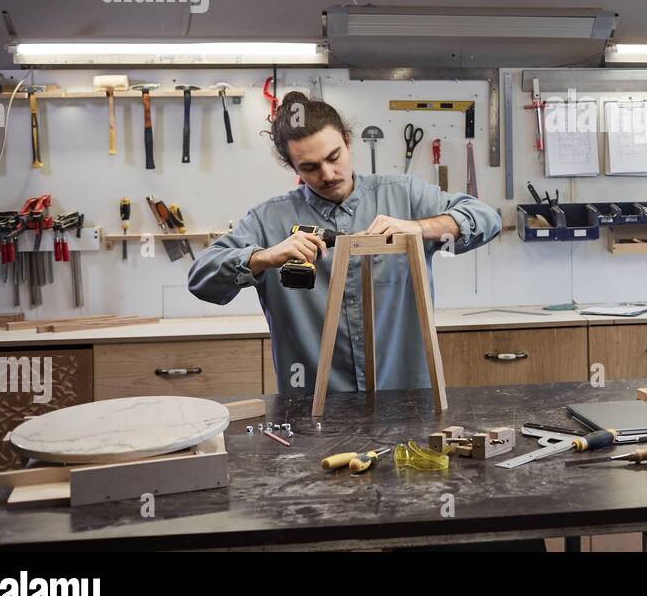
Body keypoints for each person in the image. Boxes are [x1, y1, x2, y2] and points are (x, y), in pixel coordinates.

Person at [188, 91, 500, 395]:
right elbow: (201, 278)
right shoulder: (268, 220)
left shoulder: (403, 195)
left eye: (333, 157)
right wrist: (264, 257)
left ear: (348, 142)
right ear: (292, 167)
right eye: (309, 167)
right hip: (312, 408)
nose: (327, 174)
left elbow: (485, 218)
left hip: (406, 401)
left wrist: (419, 227)